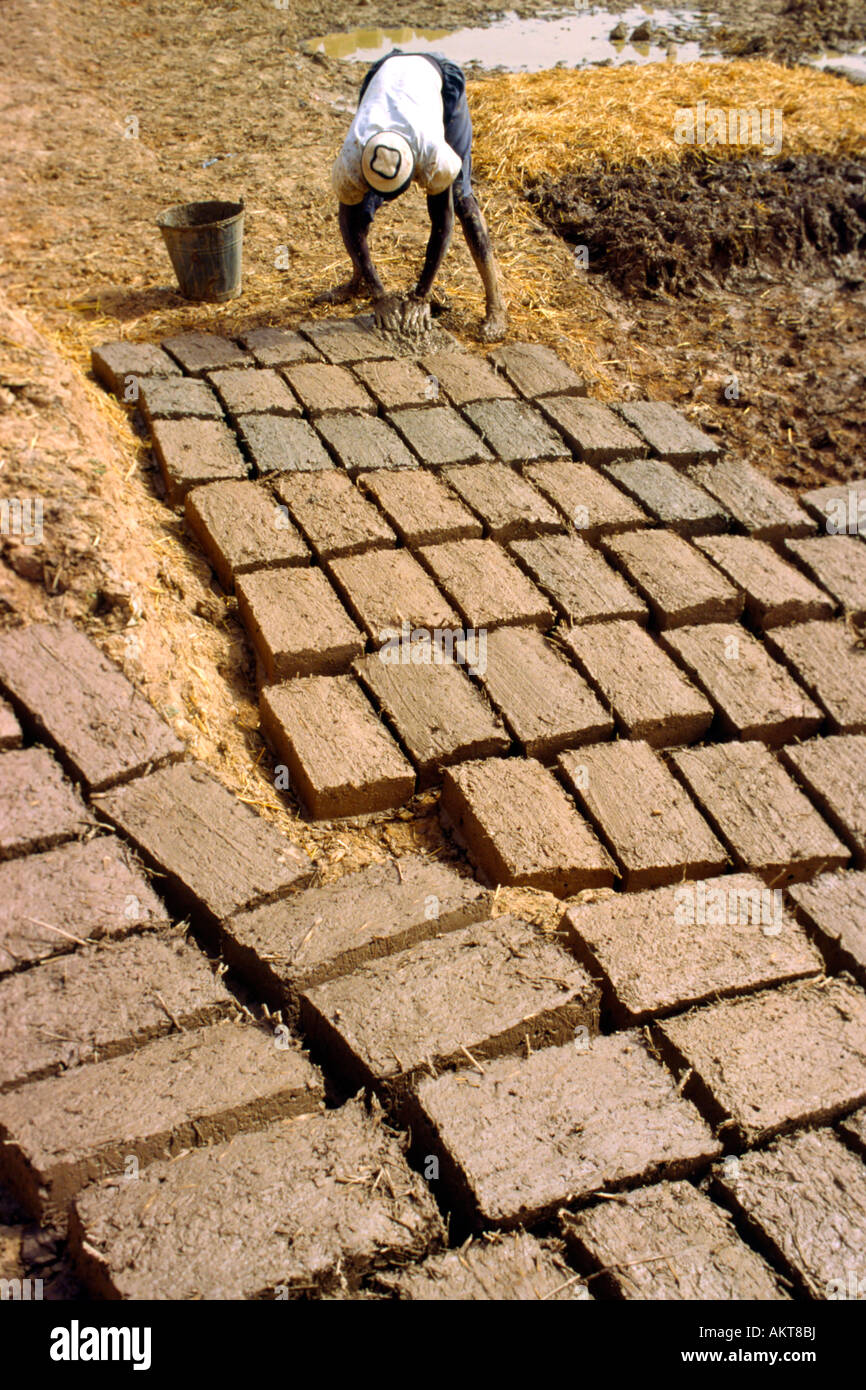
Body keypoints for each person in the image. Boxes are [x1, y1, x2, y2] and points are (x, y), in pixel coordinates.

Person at [319, 49, 507, 341]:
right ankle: (359, 280)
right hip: (383, 75)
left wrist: (422, 294)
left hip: (438, 78)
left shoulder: (433, 156)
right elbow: (348, 220)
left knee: (461, 199)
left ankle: (496, 303)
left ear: (413, 173)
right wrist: (378, 294)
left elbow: (443, 223)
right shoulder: (353, 159)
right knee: (360, 207)